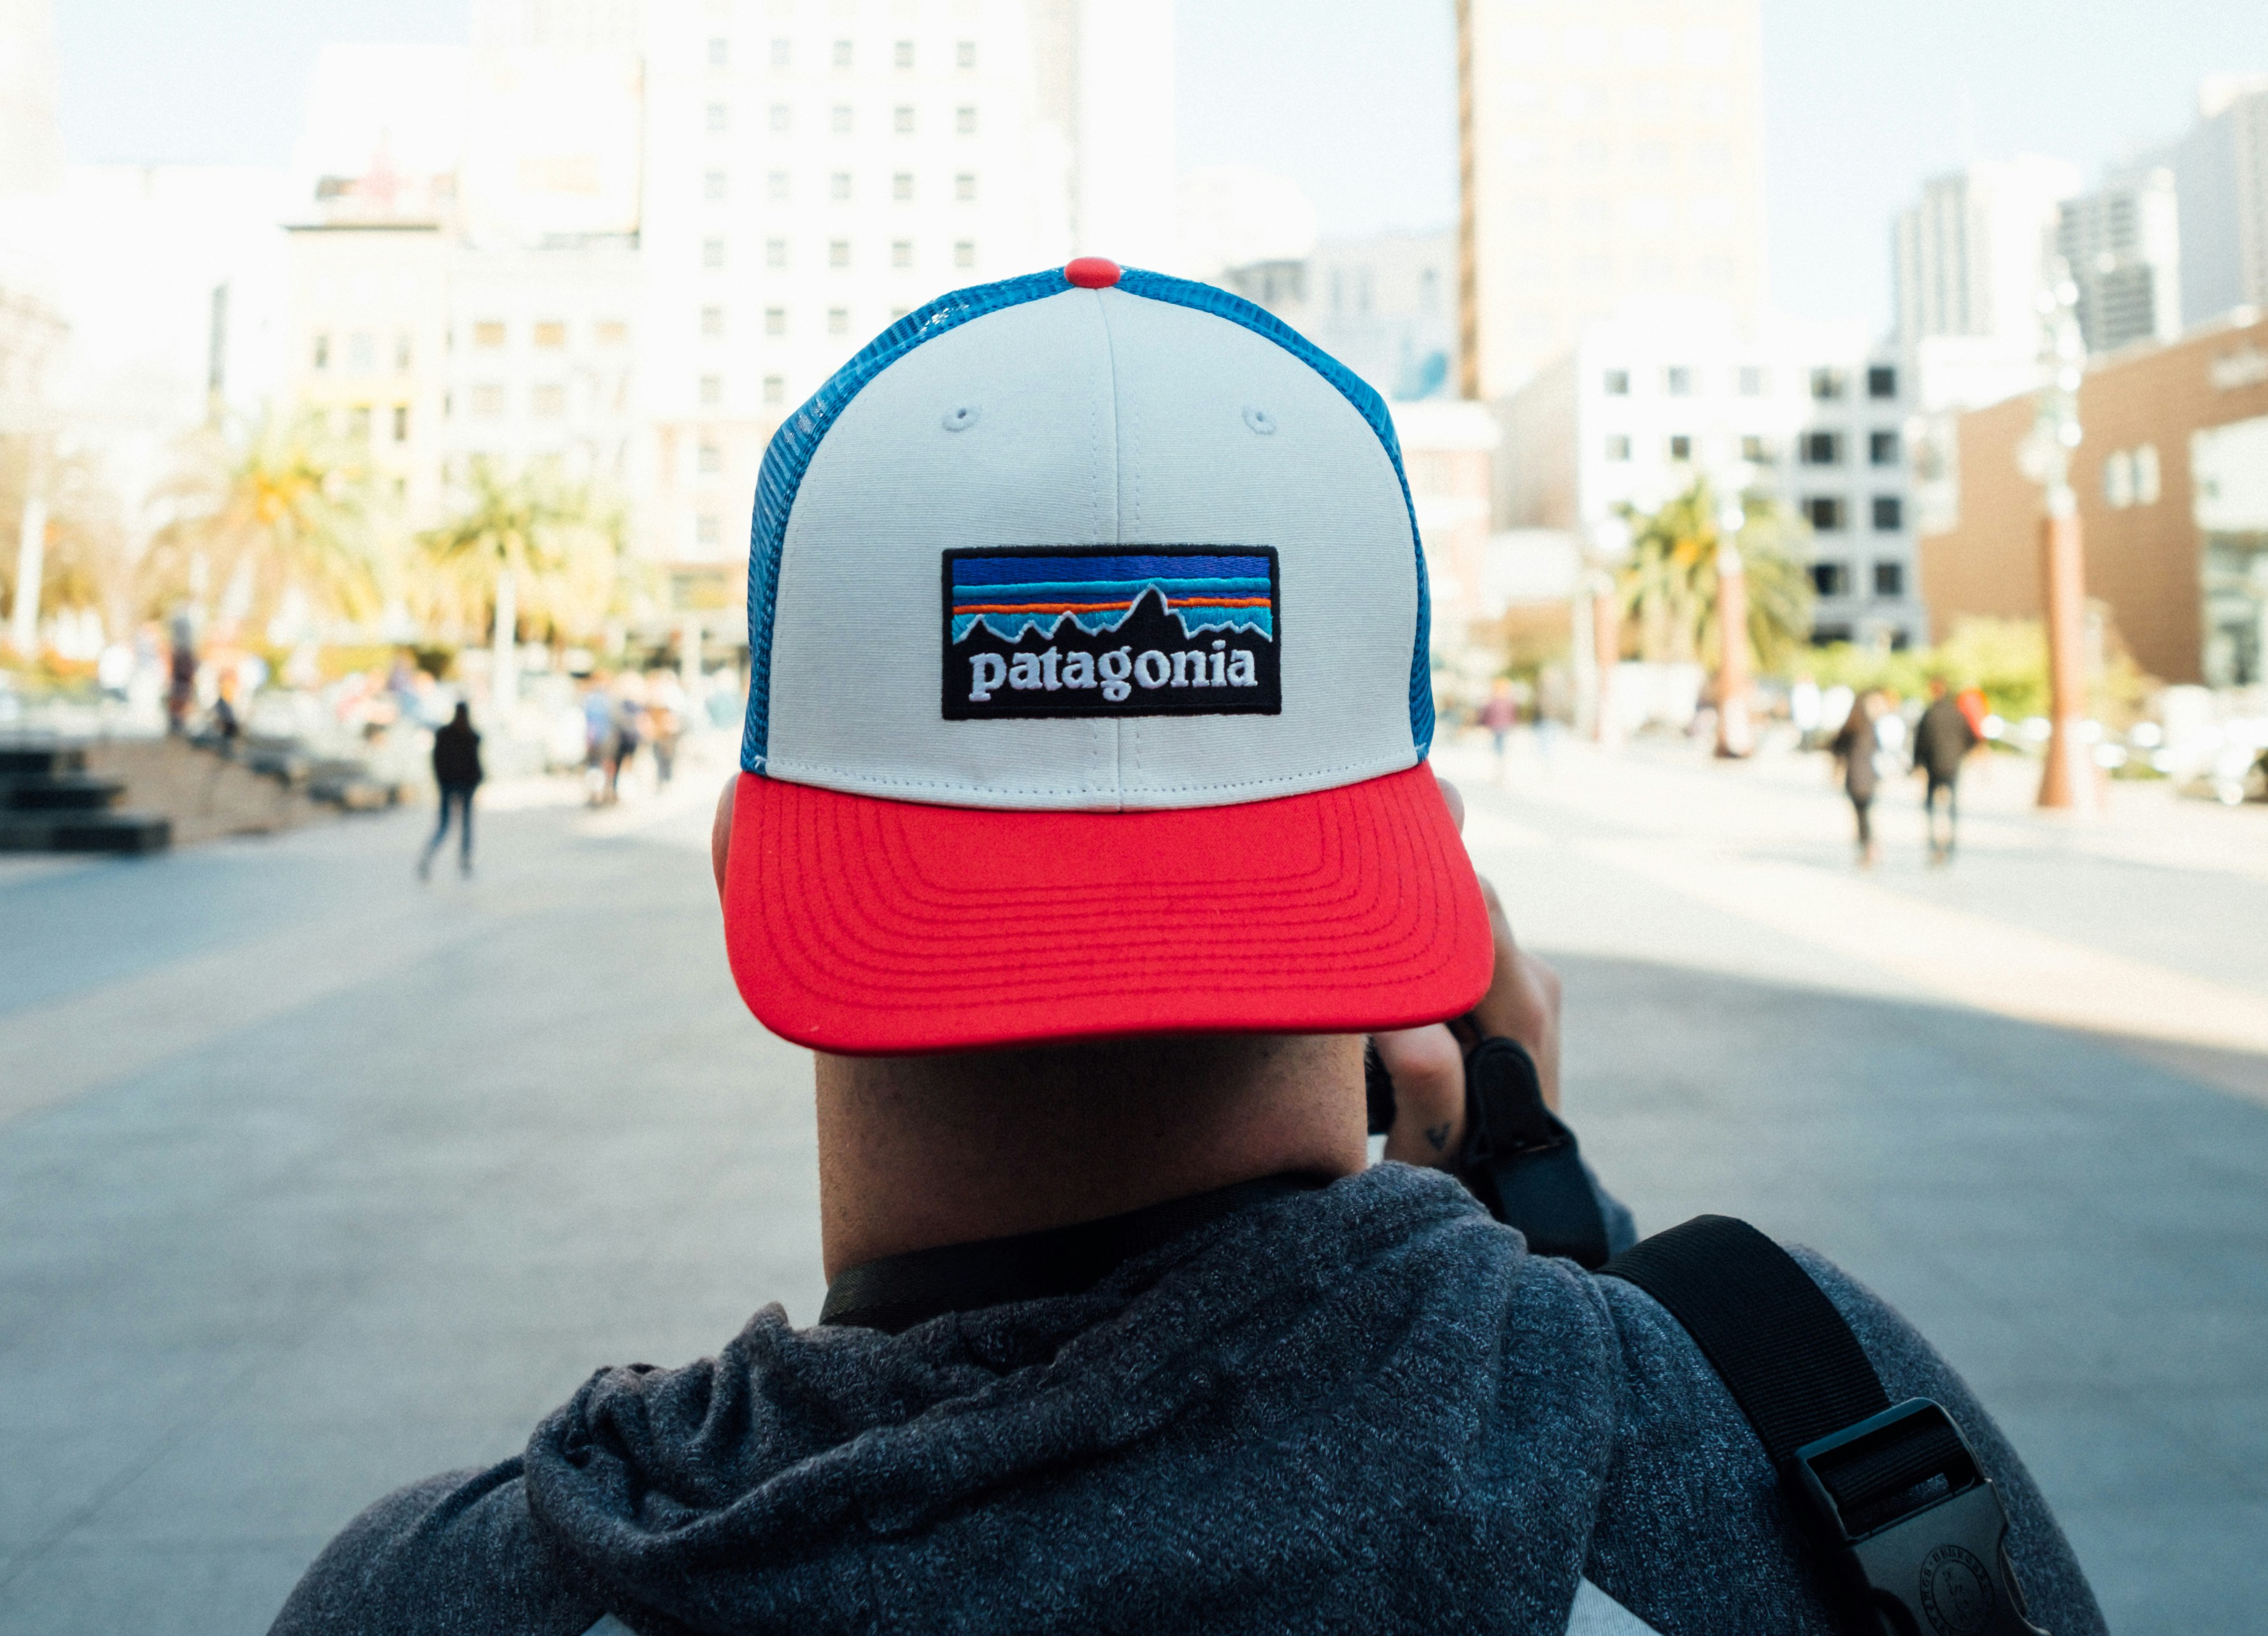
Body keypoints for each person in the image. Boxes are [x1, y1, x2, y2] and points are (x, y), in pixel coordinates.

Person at [271, 261, 2103, 1636]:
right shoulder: (1820, 1433)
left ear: (756, 866)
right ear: (1422, 889)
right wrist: (1541, 1211)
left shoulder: (463, 1591)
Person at [1915, 679, 1983, 863]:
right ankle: (1950, 844)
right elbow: (1972, 738)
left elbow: (1920, 742)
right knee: (1951, 805)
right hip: (1953, 765)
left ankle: (1935, 843)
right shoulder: (1958, 714)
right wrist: (1960, 753)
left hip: (1933, 765)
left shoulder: (1930, 713)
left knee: (1931, 806)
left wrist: (1918, 764)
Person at [417, 700, 481, 881]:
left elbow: (472, 765)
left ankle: (463, 860)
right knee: (456, 826)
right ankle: (461, 860)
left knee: (455, 826)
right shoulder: (465, 736)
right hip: (454, 786)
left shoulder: (460, 736)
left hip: (456, 786)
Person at [1831, 684, 1883, 866]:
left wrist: (1835, 772)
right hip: (1869, 777)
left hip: (1854, 777)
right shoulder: (1870, 727)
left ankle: (1866, 847)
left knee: (1860, 815)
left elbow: (1837, 750)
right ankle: (1869, 846)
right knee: (1866, 813)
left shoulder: (1851, 727)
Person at [1481, 679, 1517, 780]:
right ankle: (1499, 762)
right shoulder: (1497, 701)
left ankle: (1500, 763)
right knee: (1498, 745)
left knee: (1500, 745)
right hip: (1497, 726)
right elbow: (1488, 714)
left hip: (1502, 727)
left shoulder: (1502, 701)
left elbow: (1512, 714)